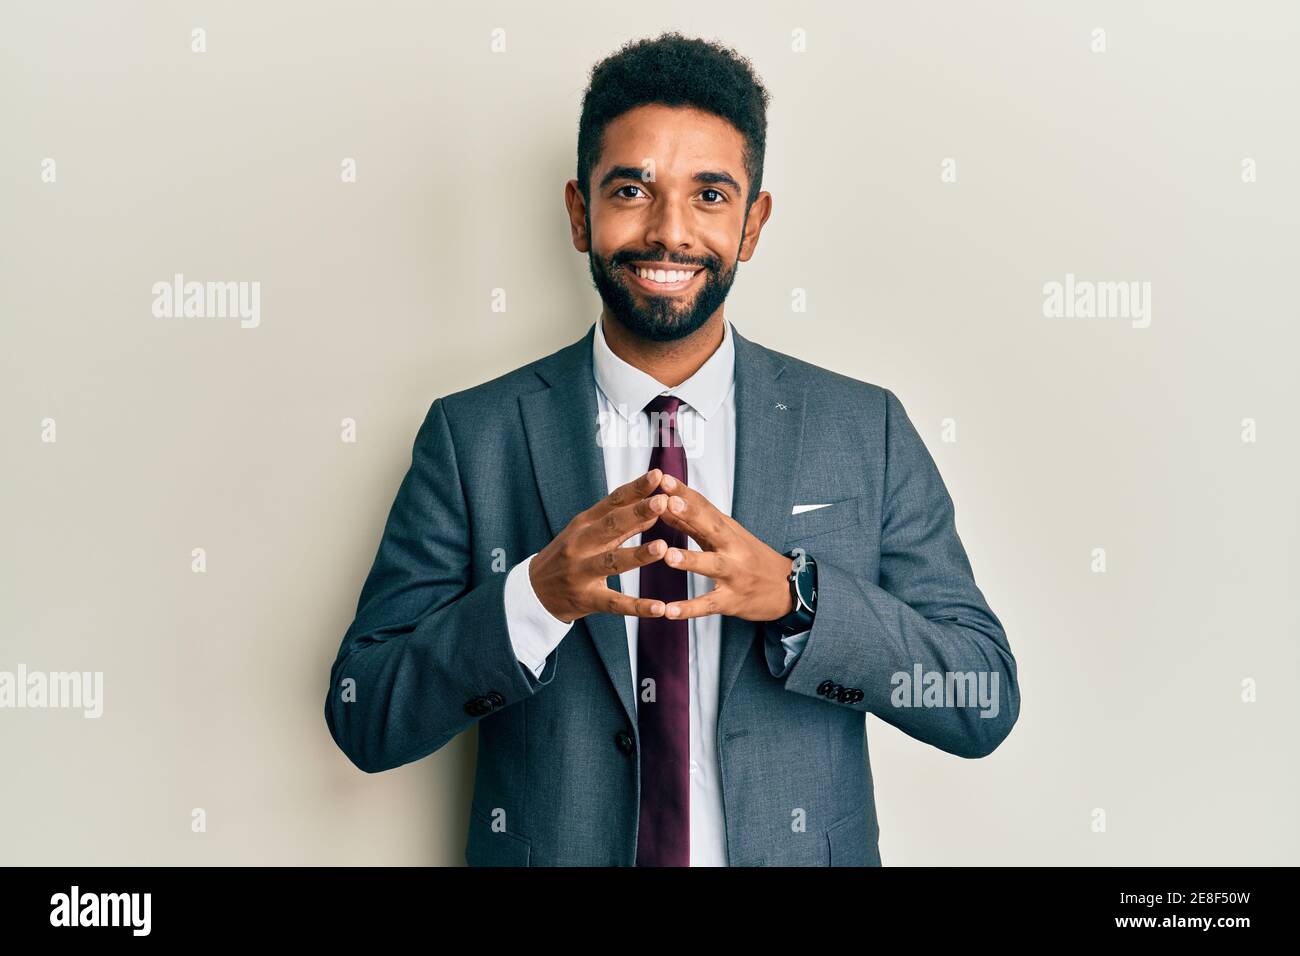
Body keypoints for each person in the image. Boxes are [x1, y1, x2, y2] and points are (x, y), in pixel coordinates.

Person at [324, 32, 1019, 867]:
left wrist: (800, 599)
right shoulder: (473, 436)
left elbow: (981, 700)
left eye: (711, 195)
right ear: (580, 213)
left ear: (753, 225)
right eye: (632, 190)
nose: (669, 232)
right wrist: (534, 599)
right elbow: (365, 716)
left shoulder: (861, 428)